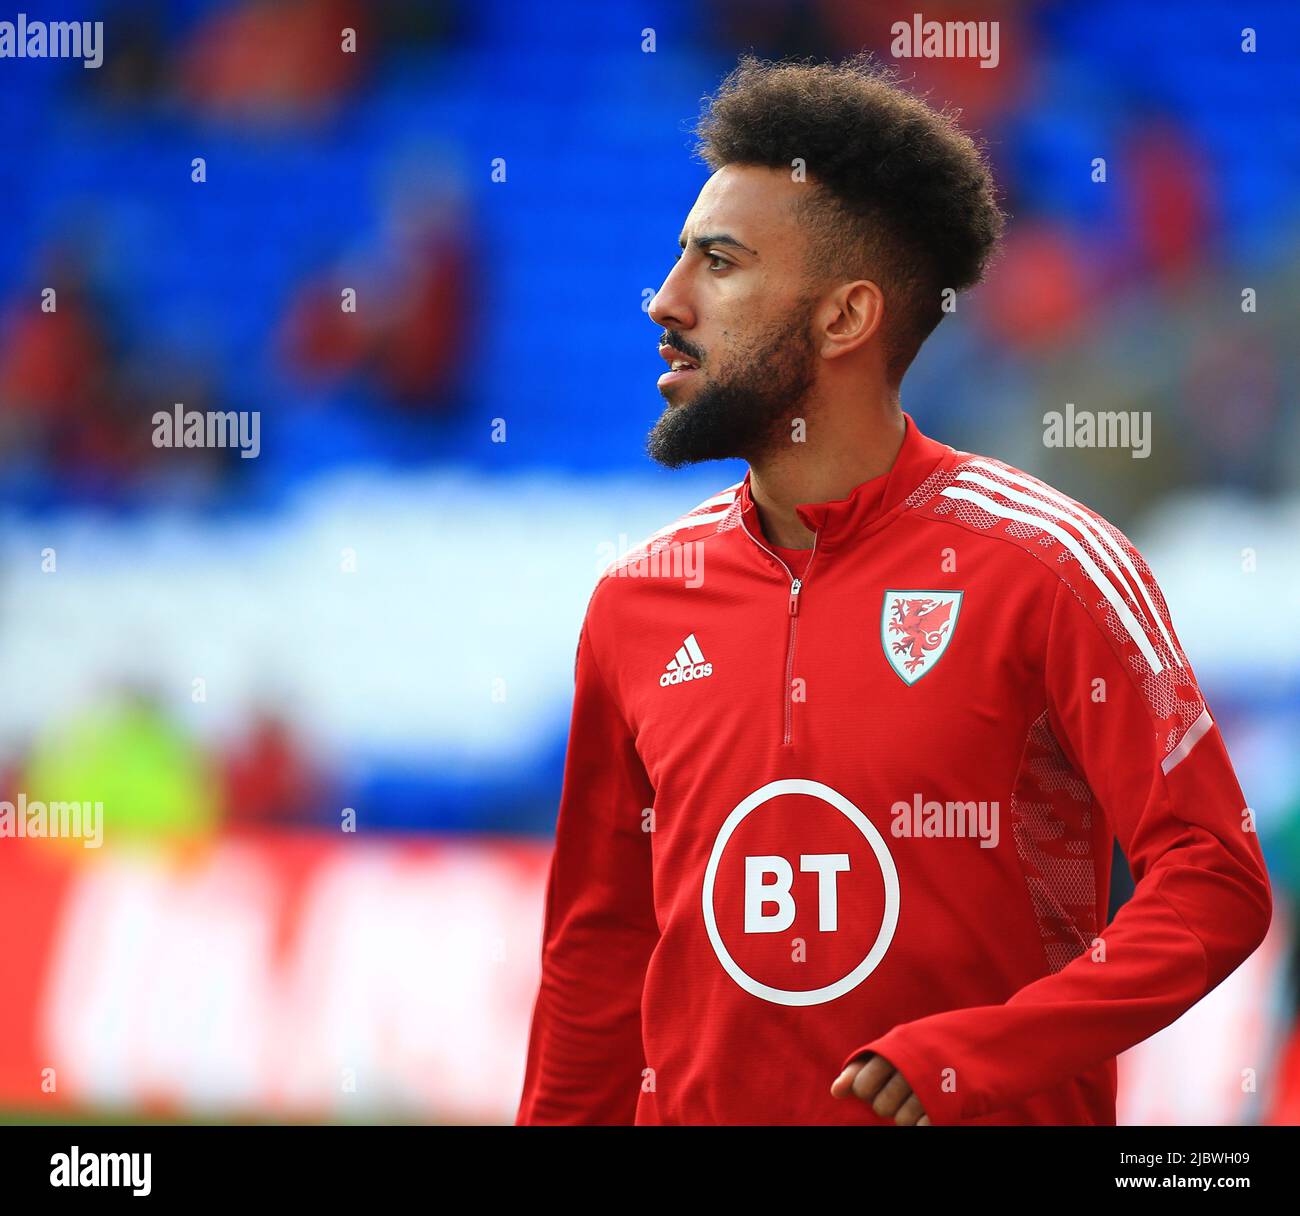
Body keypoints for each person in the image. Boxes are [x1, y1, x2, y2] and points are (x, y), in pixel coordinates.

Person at [516, 54, 1271, 1125]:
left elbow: (1213, 882)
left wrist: (983, 1051)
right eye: (679, 258)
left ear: (844, 319)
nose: (665, 300)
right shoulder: (640, 599)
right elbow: (598, 951)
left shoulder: (1049, 567)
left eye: (717, 265)